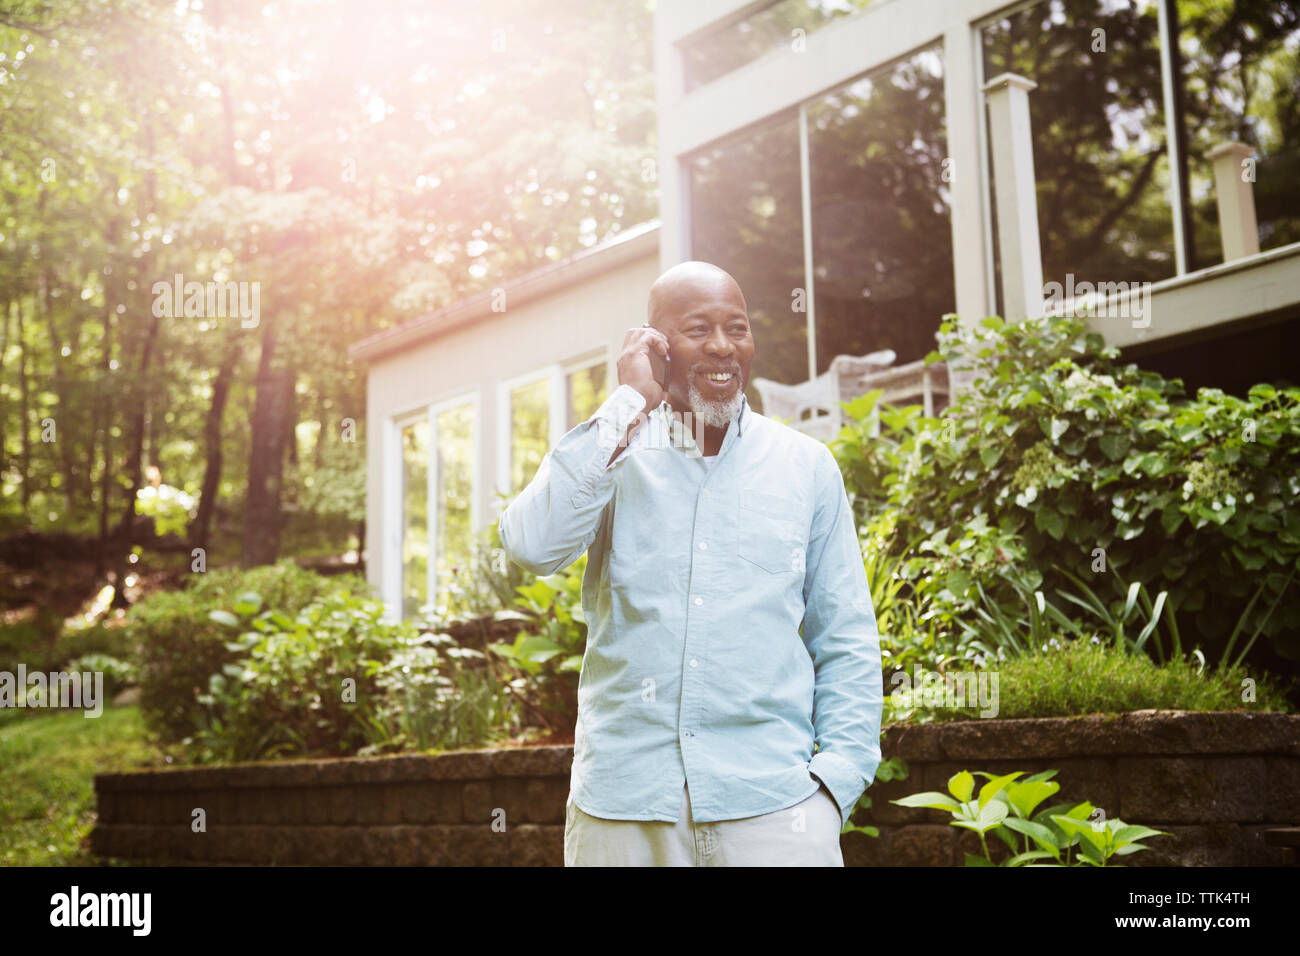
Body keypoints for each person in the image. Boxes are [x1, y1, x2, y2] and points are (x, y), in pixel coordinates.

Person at [498, 261, 882, 866]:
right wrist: (627, 405)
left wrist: (835, 785)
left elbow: (846, 638)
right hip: (624, 815)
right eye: (698, 329)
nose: (723, 347)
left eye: (738, 328)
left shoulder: (805, 467)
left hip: (774, 810)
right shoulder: (614, 455)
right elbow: (531, 544)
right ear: (656, 345)